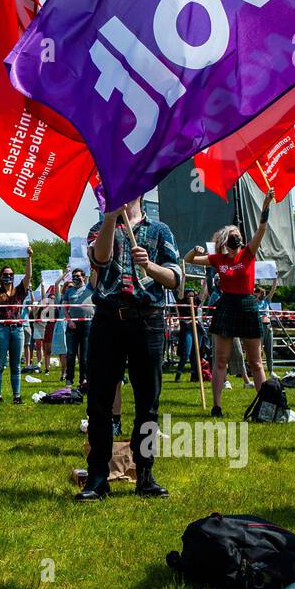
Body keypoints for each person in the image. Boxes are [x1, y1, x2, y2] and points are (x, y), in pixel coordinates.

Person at [76, 197, 182, 501]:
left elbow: (175, 278)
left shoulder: (160, 230)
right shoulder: (100, 227)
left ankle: (145, 474)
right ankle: (98, 476)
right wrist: (111, 217)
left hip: (147, 322)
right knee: (99, 403)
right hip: (108, 320)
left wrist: (149, 265)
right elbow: (99, 262)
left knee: (148, 402)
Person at [184, 189, 275, 417]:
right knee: (221, 359)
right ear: (224, 240)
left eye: (238, 234)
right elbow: (188, 261)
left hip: (247, 304)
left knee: (255, 361)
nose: (236, 236)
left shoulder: (248, 253)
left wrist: (265, 204)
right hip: (226, 306)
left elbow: (262, 228)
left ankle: (263, 406)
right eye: (232, 234)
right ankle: (217, 406)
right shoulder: (218, 259)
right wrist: (193, 250)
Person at [0, 249, 33, 403]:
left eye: (10, 274)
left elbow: (28, 276)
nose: (8, 277)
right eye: (5, 274)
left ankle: (17, 396)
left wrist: (29, 257)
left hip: (17, 330)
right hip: (1, 330)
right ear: (1, 277)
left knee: (16, 365)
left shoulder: (19, 291)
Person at [60, 268, 94, 388]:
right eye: (73, 276)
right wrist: (69, 321)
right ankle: (69, 379)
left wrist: (92, 265)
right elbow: (64, 308)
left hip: (87, 324)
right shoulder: (69, 291)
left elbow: (95, 276)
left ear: (83, 277)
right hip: (72, 325)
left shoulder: (90, 287)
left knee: (85, 355)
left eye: (78, 276)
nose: (75, 278)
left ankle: (83, 379)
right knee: (70, 354)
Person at [174, 289, 205, 382]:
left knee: (196, 353)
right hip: (187, 329)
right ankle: (178, 375)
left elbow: (202, 293)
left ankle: (193, 375)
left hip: (197, 329)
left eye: (193, 296)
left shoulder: (196, 302)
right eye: (189, 296)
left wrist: (206, 280)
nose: (191, 297)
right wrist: (183, 277)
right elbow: (180, 293)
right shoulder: (182, 303)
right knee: (186, 353)